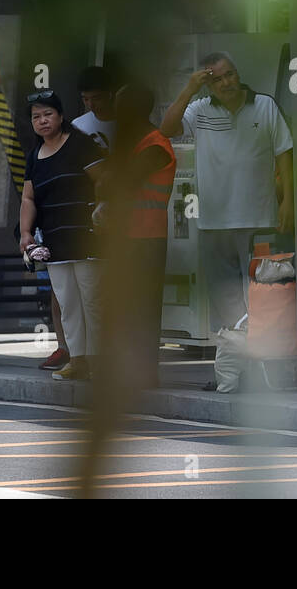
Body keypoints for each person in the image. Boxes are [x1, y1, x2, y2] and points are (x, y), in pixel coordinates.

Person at [159, 52, 293, 349]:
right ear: (207, 85)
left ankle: (263, 369)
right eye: (216, 79)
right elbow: (166, 130)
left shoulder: (265, 105)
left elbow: (284, 154)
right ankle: (231, 372)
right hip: (214, 221)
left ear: (237, 72)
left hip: (259, 219)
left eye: (229, 74)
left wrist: (288, 202)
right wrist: (189, 89)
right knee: (224, 302)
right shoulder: (199, 109)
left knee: (262, 296)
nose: (226, 82)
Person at [39, 64, 121, 372]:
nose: (92, 105)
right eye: (86, 99)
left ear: (112, 95)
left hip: (120, 213)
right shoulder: (77, 127)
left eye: (97, 97)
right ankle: (69, 350)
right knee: (67, 292)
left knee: (100, 292)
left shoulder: (129, 125)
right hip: (81, 219)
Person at [20, 90, 106, 381]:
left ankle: (100, 362)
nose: (42, 121)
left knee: (92, 300)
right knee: (68, 303)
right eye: (36, 117)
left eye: (48, 114)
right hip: (55, 241)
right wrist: (25, 233)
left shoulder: (82, 144)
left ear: (60, 116)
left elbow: (104, 181)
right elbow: (29, 199)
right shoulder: (34, 156)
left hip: (88, 237)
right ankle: (78, 359)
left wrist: (104, 209)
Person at [103, 78, 176, 391]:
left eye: (119, 105)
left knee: (143, 307)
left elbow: (121, 182)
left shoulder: (155, 144)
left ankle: (145, 373)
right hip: (129, 236)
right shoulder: (137, 143)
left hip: (146, 237)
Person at [73, 65, 118, 152]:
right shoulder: (77, 125)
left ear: (109, 95)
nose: (90, 105)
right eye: (85, 99)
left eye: (96, 98)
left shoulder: (127, 125)